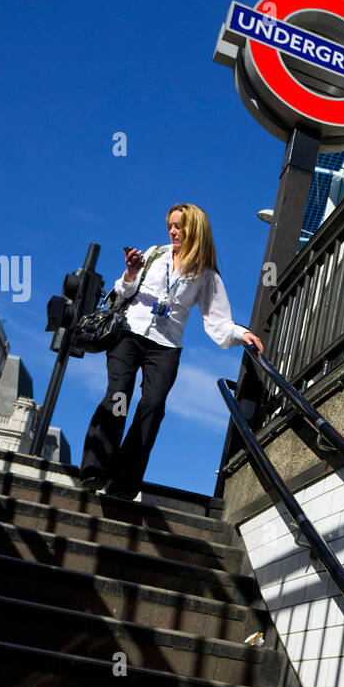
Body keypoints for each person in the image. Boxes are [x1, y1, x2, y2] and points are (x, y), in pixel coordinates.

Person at [79, 202, 263, 501]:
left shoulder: (206, 274)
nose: (172, 231)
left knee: (153, 406)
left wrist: (242, 333)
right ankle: (95, 468)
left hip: (166, 345)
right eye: (170, 226)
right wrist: (130, 273)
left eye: (178, 226)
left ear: (194, 229)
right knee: (119, 394)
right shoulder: (154, 254)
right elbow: (122, 293)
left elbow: (217, 319)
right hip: (129, 333)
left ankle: (124, 482)